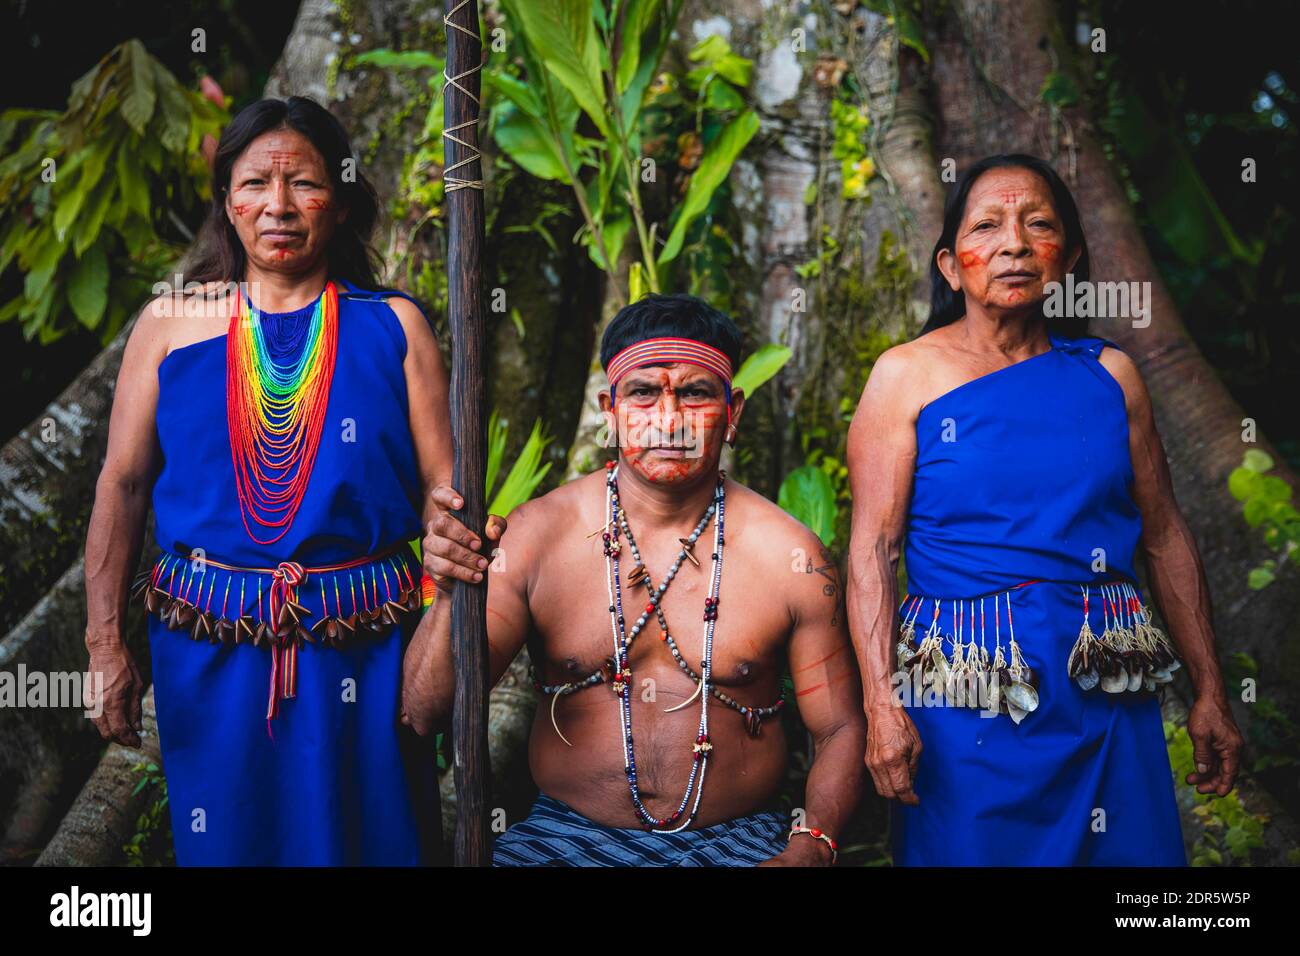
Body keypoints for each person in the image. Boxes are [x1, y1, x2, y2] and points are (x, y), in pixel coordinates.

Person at [845, 154, 1244, 866]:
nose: (1014, 244)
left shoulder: (1108, 374)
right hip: (967, 696)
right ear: (950, 264)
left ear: (1069, 257)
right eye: (988, 226)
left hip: (1103, 685)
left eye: (1039, 225)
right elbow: (873, 550)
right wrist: (881, 705)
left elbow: (1164, 536)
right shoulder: (905, 377)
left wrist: (1209, 687)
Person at [83, 96, 450, 865]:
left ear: (342, 203)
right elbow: (120, 485)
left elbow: (445, 501)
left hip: (364, 654)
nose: (278, 205)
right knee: (229, 841)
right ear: (226, 202)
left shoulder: (396, 328)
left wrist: (443, 630)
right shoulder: (170, 324)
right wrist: (105, 645)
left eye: (305, 185)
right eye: (255, 183)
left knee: (368, 838)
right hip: (211, 653)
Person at [403, 294, 866, 866]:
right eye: (643, 392)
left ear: (734, 412)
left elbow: (840, 728)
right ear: (609, 410)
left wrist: (813, 843)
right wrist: (451, 589)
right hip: (564, 839)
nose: (669, 419)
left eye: (695, 393)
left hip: (740, 842)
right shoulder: (536, 537)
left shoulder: (791, 555)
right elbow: (426, 711)